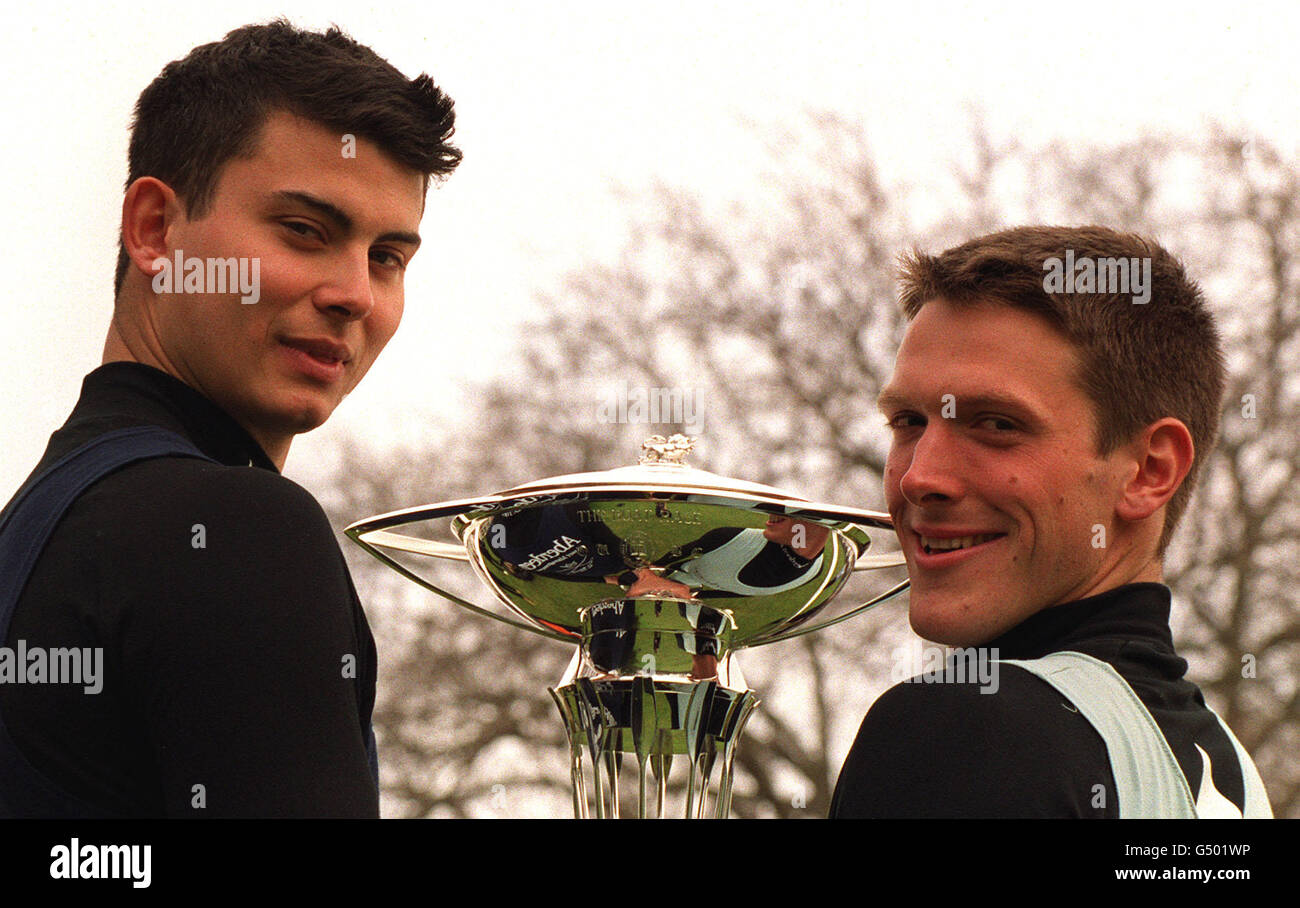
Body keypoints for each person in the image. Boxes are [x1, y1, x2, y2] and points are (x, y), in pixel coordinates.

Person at [0, 20, 461, 817]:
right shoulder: (231, 528)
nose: (355, 293)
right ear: (155, 230)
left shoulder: (38, 533)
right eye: (305, 231)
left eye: (386, 257)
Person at [830, 225, 1272, 818]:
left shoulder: (964, 730)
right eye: (909, 421)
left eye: (996, 424)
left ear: (1149, 470)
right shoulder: (1229, 767)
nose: (919, 478)